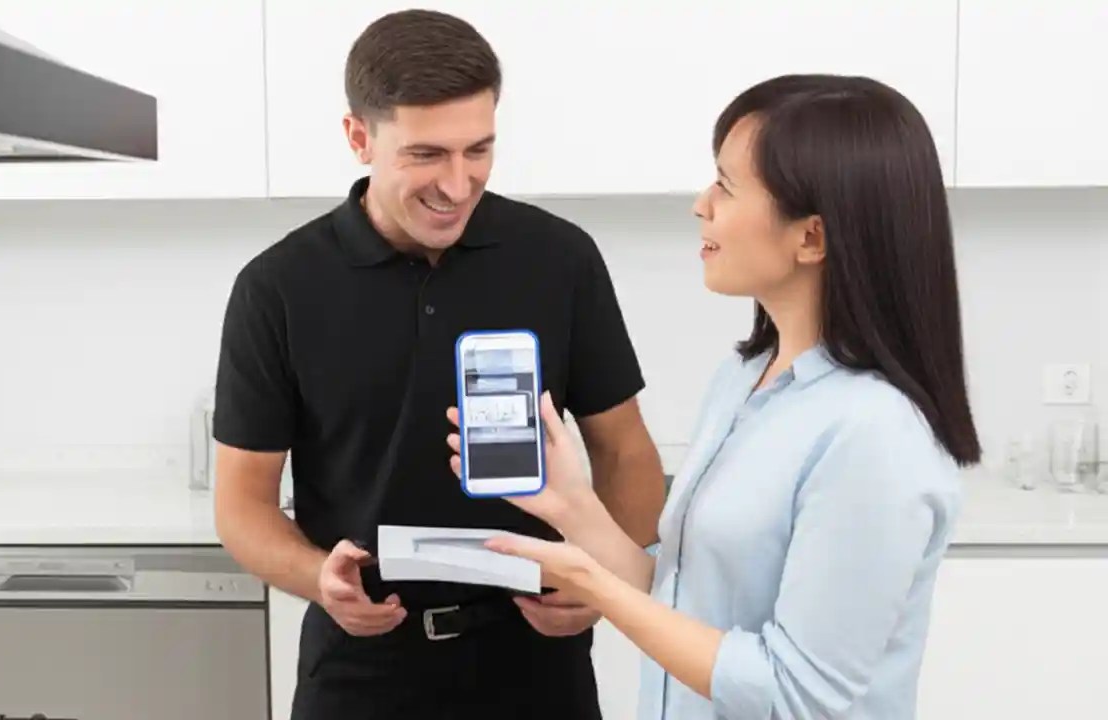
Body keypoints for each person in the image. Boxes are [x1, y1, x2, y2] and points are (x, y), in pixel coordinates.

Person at [445, 73, 982, 720]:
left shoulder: (876, 435)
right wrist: (573, 507)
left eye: (727, 186)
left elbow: (796, 694)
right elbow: (682, 599)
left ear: (811, 238)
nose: (701, 204)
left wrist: (589, 584)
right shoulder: (744, 379)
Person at [211, 9, 665, 720]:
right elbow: (241, 503)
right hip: (361, 665)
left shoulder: (561, 260)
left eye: (478, 150)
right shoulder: (278, 289)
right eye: (426, 155)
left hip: (534, 660)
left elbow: (626, 450)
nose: (458, 184)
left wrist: (604, 577)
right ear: (358, 137)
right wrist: (316, 577)